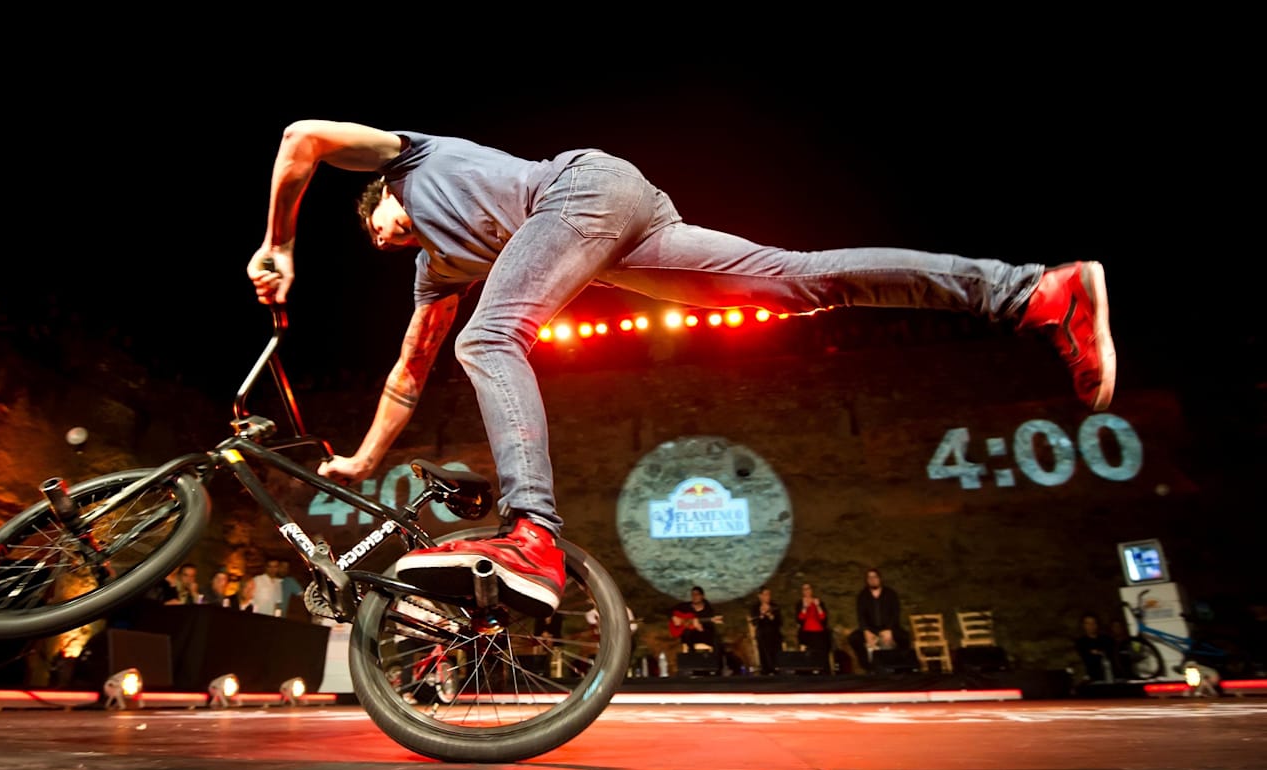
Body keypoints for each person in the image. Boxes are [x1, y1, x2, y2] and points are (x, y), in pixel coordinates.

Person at [248, 120, 1117, 617]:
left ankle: (533, 533)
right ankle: (1036, 294)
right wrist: (364, 460)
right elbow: (408, 371)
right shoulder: (443, 270)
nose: (397, 239)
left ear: (389, 196)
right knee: (798, 281)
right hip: (629, 222)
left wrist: (279, 244)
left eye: (388, 227)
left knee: (489, 338)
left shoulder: (414, 157)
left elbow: (303, 138)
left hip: (580, 190)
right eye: (390, 244)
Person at [853, 568, 908, 672]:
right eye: (870, 577)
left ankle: (899, 667)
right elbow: (861, 615)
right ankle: (868, 667)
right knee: (854, 638)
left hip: (888, 627)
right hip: (871, 628)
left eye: (875, 577)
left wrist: (889, 629)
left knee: (904, 637)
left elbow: (895, 613)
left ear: (879, 579)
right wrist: (866, 630)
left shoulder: (890, 594)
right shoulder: (862, 596)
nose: (872, 579)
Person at [670, 587, 723, 653]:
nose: (694, 596)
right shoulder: (684, 606)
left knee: (716, 639)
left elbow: (710, 628)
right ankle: (692, 655)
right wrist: (675, 618)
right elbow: (670, 611)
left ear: (702, 596)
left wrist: (700, 629)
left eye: (697, 594)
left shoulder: (709, 610)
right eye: (693, 594)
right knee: (687, 632)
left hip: (702, 634)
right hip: (688, 635)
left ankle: (715, 660)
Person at [748, 585, 784, 675]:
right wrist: (761, 614)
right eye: (765, 594)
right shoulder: (755, 607)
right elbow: (754, 622)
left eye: (768, 594)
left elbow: (780, 622)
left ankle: (776, 669)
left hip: (774, 635)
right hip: (762, 635)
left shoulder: (774, 606)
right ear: (760, 596)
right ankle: (766, 671)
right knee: (764, 654)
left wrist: (771, 616)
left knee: (775, 654)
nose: (767, 596)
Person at [1074, 612, 1120, 683]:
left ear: (1097, 624)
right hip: (1094, 678)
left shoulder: (1107, 639)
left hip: (1112, 676)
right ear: (1083, 625)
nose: (1091, 626)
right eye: (1088, 623)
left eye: (1093, 623)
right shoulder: (1081, 642)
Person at [795, 582, 832, 666]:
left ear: (811, 590)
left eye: (808, 589)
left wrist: (818, 606)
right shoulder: (799, 604)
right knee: (806, 645)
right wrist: (804, 607)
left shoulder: (819, 602)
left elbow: (823, 618)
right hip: (806, 632)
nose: (807, 591)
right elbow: (799, 619)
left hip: (819, 631)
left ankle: (822, 668)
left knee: (823, 642)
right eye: (805, 589)